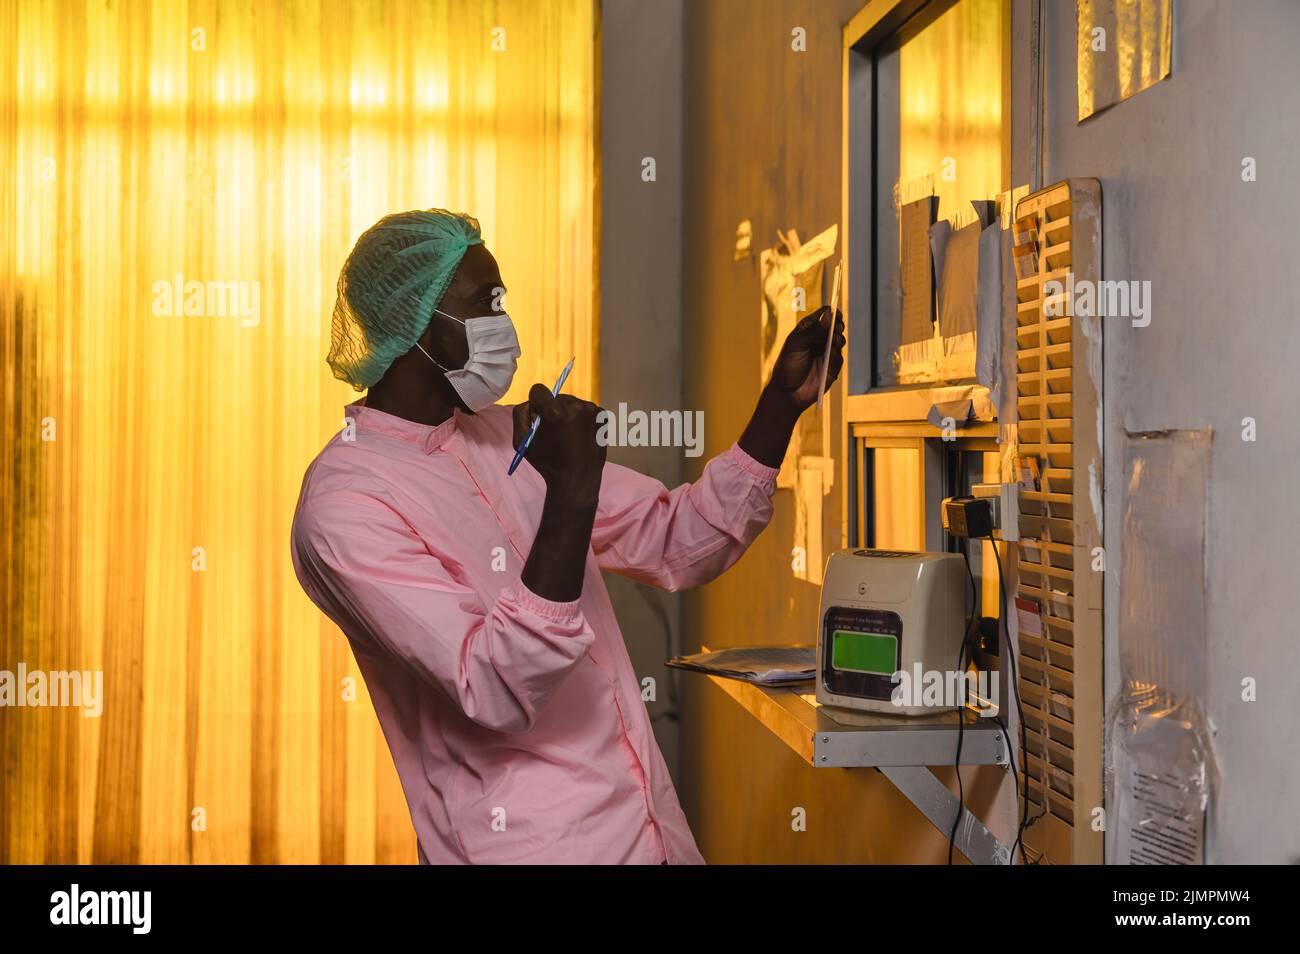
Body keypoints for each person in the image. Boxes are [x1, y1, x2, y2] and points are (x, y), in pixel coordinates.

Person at [291, 208, 845, 864]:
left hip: (646, 829)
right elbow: (494, 682)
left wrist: (780, 406)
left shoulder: (505, 435)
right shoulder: (346, 504)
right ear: (416, 324)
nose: (505, 323)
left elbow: (679, 538)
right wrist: (573, 491)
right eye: (485, 302)